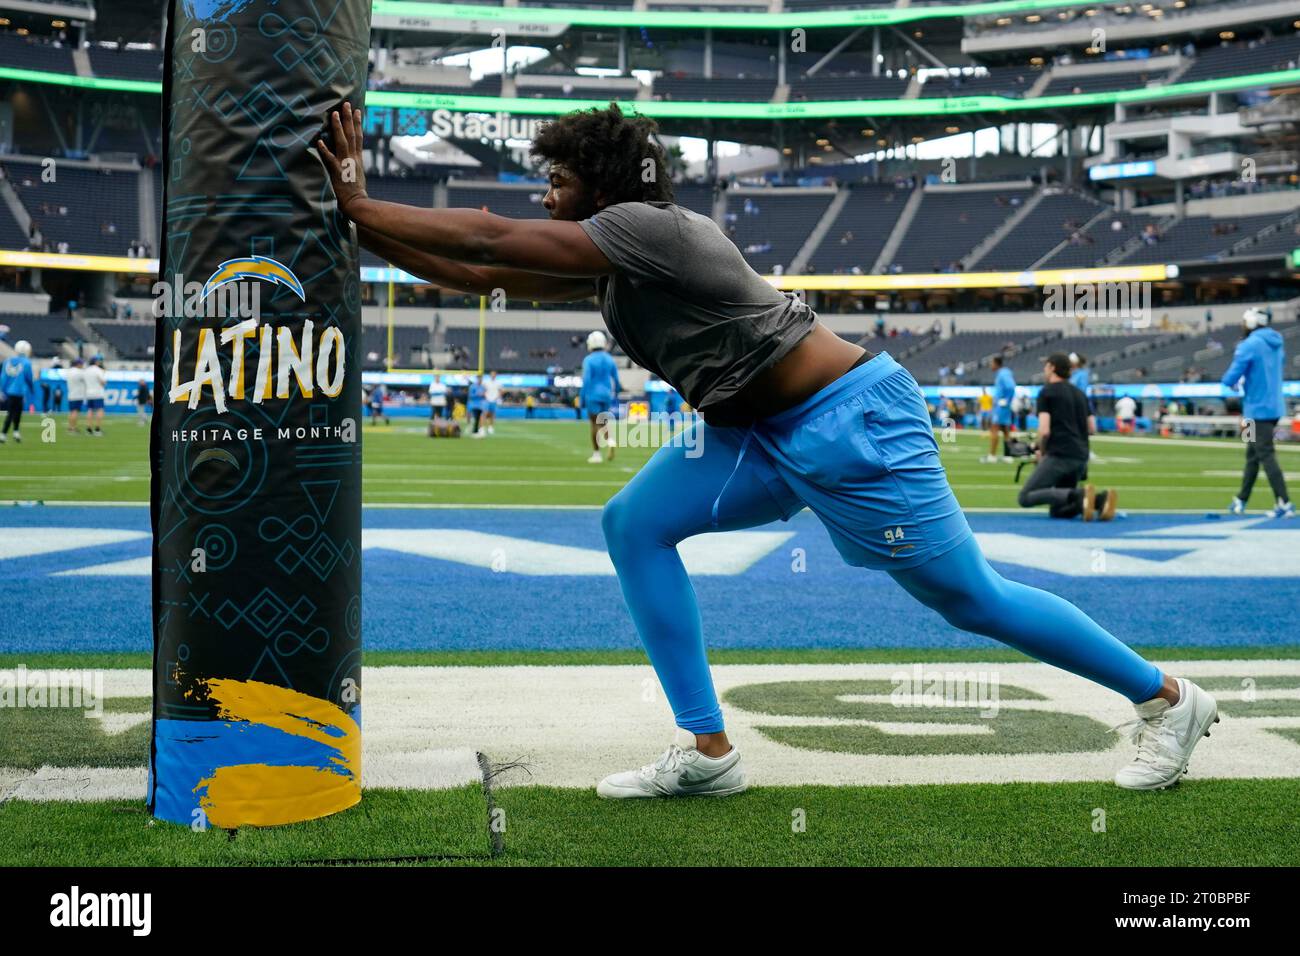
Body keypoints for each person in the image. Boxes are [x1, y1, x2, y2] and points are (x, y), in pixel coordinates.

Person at [319, 100, 1218, 797]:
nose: (543, 193)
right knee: (633, 524)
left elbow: (485, 238)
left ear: (599, 182)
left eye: (556, 176)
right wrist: (348, 218)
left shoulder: (646, 227)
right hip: (754, 431)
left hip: (848, 420)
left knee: (968, 598)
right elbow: (478, 272)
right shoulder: (612, 257)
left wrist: (360, 199)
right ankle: (708, 748)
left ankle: (1168, 701)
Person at [1018, 353, 1115, 521]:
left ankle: (1080, 493)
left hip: (1060, 454)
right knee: (1058, 511)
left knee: (1026, 497)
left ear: (1053, 367)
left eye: (1046, 366)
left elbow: (1044, 429)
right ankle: (1100, 500)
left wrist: (1040, 449)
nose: (1044, 370)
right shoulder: (1079, 394)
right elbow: (1092, 427)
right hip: (1080, 456)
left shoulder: (1046, 392)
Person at [1224, 308, 1292, 518]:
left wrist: (1232, 382)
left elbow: (1231, 377)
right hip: (1272, 409)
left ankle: (1284, 502)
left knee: (1265, 454)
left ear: (1252, 323)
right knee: (1252, 455)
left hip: (1255, 410)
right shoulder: (1276, 344)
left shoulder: (1250, 344)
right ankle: (1241, 499)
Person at [580, 330, 621, 463]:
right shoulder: (610, 359)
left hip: (592, 394)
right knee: (603, 422)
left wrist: (581, 398)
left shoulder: (589, 360)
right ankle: (609, 440)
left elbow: (586, 380)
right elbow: (616, 379)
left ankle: (596, 454)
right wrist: (616, 394)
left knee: (594, 423)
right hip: (606, 395)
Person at [982, 356, 1016, 464]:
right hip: (1003, 406)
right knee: (1006, 430)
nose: (990, 365)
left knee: (994, 428)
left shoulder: (1003, 373)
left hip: (1001, 407)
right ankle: (1007, 456)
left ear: (997, 363)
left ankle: (992, 456)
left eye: (991, 363)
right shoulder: (1004, 373)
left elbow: (1011, 387)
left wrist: (1006, 400)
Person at [0, 340, 34, 444]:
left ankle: (15, 432)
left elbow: (3, 377)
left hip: (9, 392)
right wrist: (32, 389)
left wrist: (1, 390)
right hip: (18, 392)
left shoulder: (8, 361)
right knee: (14, 413)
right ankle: (4, 434)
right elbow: (29, 378)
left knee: (15, 412)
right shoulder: (26, 363)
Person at [84, 355, 107, 437]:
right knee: (100, 410)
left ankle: (89, 429)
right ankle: (97, 429)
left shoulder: (86, 370)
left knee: (90, 410)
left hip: (89, 393)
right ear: (96, 362)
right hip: (98, 393)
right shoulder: (98, 370)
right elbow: (103, 382)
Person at [65, 357, 86, 434]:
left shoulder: (69, 371)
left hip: (71, 394)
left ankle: (70, 427)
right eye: (81, 364)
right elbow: (85, 379)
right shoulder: (79, 372)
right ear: (78, 364)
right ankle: (73, 428)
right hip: (78, 395)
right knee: (75, 412)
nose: (82, 365)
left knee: (71, 412)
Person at [483, 370, 502, 435]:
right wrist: (485, 397)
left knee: (492, 414)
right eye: (492, 374)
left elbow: (500, 391)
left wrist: (497, 397)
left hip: (494, 400)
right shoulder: (486, 382)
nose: (493, 375)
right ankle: (483, 427)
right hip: (487, 400)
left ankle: (490, 427)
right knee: (485, 414)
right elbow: (484, 390)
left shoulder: (498, 382)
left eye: (494, 374)